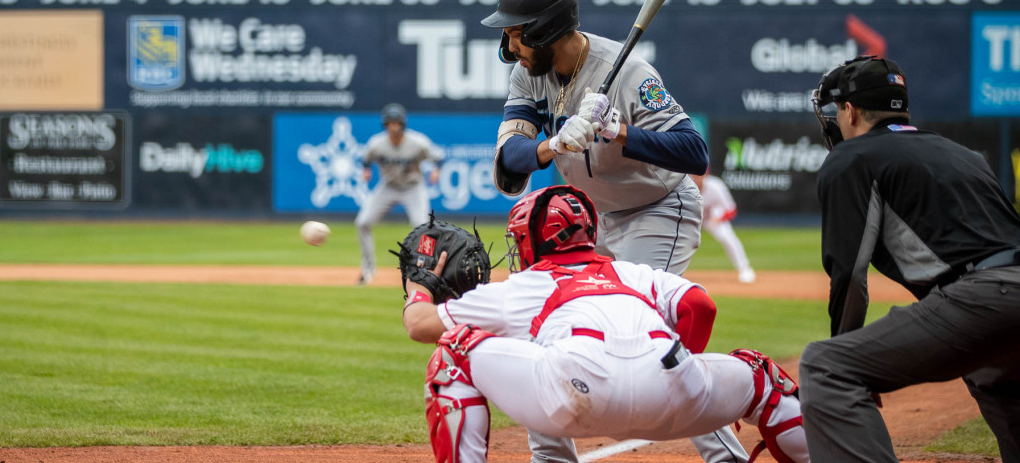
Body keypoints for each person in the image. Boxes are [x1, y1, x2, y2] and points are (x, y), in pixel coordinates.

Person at [482, 0, 744, 463]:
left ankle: (726, 456)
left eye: (516, 31)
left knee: (644, 332)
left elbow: (694, 151)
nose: (509, 42)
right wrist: (553, 144)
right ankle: (552, 456)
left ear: (542, 31)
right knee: (539, 327)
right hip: (590, 220)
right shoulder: (528, 74)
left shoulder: (630, 74)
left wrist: (619, 130)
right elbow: (511, 158)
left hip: (657, 210)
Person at [402, 185, 809, 463]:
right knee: (764, 376)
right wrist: (683, 368)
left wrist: (419, 284)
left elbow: (420, 326)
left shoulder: (524, 287)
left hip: (575, 400)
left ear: (533, 240)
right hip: (672, 394)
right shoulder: (635, 273)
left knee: (454, 351)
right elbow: (700, 306)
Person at [800, 55, 1020, 462]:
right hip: (1006, 293)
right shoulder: (963, 154)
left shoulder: (851, 158)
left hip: (982, 297)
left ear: (849, 110)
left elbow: (850, 273)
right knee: (995, 381)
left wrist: (849, 353)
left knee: (826, 367)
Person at [355, 103, 444, 285]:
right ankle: (368, 269)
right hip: (388, 187)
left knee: (423, 227)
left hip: (413, 187)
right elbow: (366, 159)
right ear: (385, 125)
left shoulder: (417, 142)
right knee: (362, 222)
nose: (393, 126)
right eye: (390, 123)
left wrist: (436, 170)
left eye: (396, 122)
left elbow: (438, 156)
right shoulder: (377, 144)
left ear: (402, 124)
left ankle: (424, 269)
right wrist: (366, 170)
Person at [698, 172, 756, 284]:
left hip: (712, 218)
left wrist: (717, 219)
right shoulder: (684, 185)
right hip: (692, 217)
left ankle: (745, 269)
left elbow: (731, 209)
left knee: (727, 236)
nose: (696, 176)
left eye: (698, 173)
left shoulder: (715, 186)